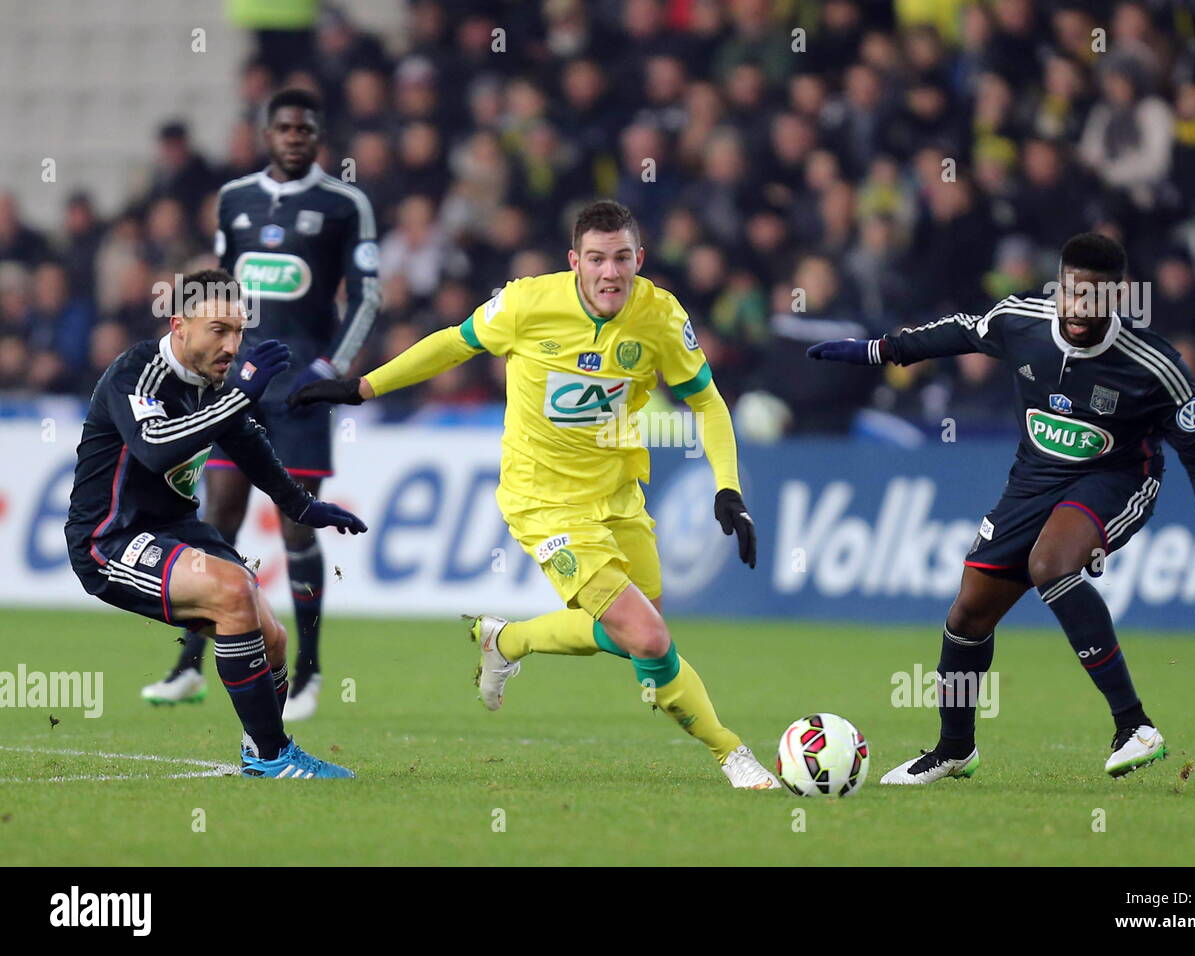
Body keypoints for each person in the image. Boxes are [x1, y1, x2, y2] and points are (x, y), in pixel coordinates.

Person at [290, 199, 780, 789]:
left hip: (619, 495)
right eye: (596, 259)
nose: (610, 273)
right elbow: (453, 344)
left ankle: (508, 638)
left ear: (640, 259)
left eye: (622, 258)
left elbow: (706, 401)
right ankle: (732, 753)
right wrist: (363, 387)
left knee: (634, 636)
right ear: (574, 261)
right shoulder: (526, 303)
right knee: (650, 638)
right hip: (543, 502)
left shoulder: (660, 316)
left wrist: (728, 488)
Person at [808, 232, 1195, 783]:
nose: (1079, 307)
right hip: (1033, 481)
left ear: (1117, 297)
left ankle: (1135, 726)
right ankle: (955, 750)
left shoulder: (1153, 366)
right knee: (967, 615)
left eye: (1093, 296)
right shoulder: (1021, 322)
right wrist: (879, 350)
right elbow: (960, 332)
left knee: (1050, 564)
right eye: (1071, 292)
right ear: (1059, 286)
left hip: (1117, 479)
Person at [65, 269, 368, 778]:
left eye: (239, 331)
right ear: (179, 326)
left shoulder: (212, 381)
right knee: (231, 591)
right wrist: (238, 398)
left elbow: (246, 443)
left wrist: (301, 506)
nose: (232, 345)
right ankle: (272, 756)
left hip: (176, 528)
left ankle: (259, 747)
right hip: (110, 538)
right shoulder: (135, 373)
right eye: (219, 330)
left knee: (272, 639)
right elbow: (155, 447)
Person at [143, 89, 381, 721]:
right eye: (284, 127)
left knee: (296, 524)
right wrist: (202, 359)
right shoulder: (235, 198)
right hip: (235, 386)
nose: (294, 136)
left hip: (300, 391)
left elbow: (367, 295)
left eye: (305, 128)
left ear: (318, 136)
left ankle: (308, 673)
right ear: (266, 133)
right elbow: (221, 291)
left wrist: (330, 367)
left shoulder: (344, 204)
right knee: (217, 518)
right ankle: (188, 667)